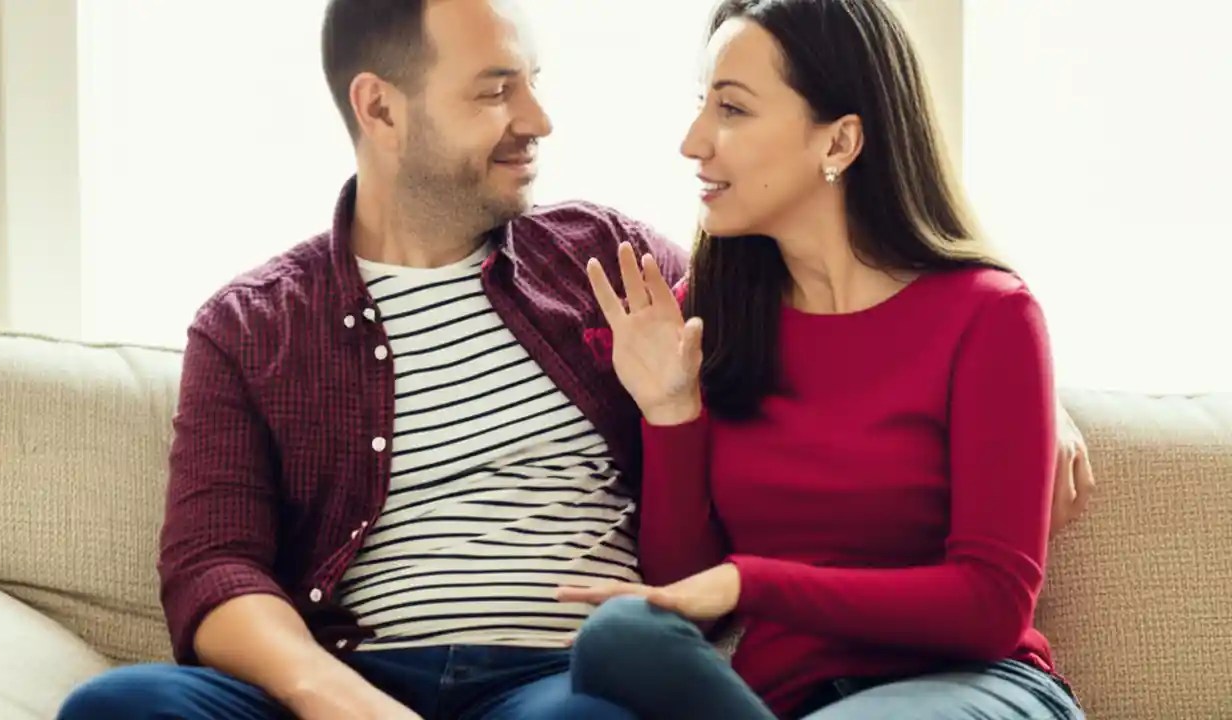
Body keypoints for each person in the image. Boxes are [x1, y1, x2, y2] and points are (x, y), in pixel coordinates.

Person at [56, 0, 1092, 718]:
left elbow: (855, 297)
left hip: (553, 685)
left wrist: (1029, 398)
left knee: (609, 680)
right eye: (494, 91)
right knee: (122, 703)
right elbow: (212, 563)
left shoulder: (601, 257)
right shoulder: (251, 327)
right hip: (352, 671)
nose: (538, 121)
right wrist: (345, 705)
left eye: (533, 83)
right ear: (379, 107)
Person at [557, 1, 1087, 719]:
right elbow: (689, 597)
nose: (693, 143)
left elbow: (991, 605)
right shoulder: (706, 320)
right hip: (784, 703)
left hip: (973, 688)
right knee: (619, 637)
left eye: (733, 110)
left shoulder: (989, 316)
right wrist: (670, 413)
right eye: (701, 107)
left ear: (838, 142)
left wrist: (751, 582)